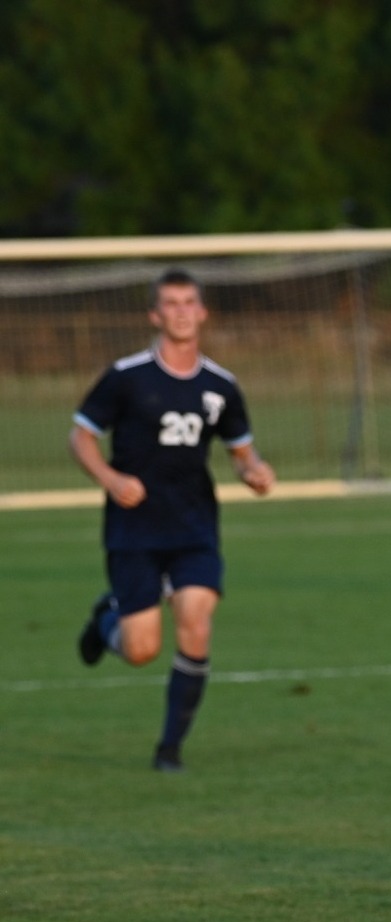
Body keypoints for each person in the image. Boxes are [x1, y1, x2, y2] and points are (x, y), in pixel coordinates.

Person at [71, 268, 277, 771]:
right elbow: (81, 435)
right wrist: (110, 479)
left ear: (202, 312)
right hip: (135, 530)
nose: (181, 311)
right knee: (141, 649)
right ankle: (106, 620)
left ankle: (169, 751)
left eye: (190, 302)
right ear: (155, 314)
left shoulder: (221, 386)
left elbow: (241, 452)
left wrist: (254, 470)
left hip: (193, 529)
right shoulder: (126, 376)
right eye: (171, 303)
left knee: (196, 622)